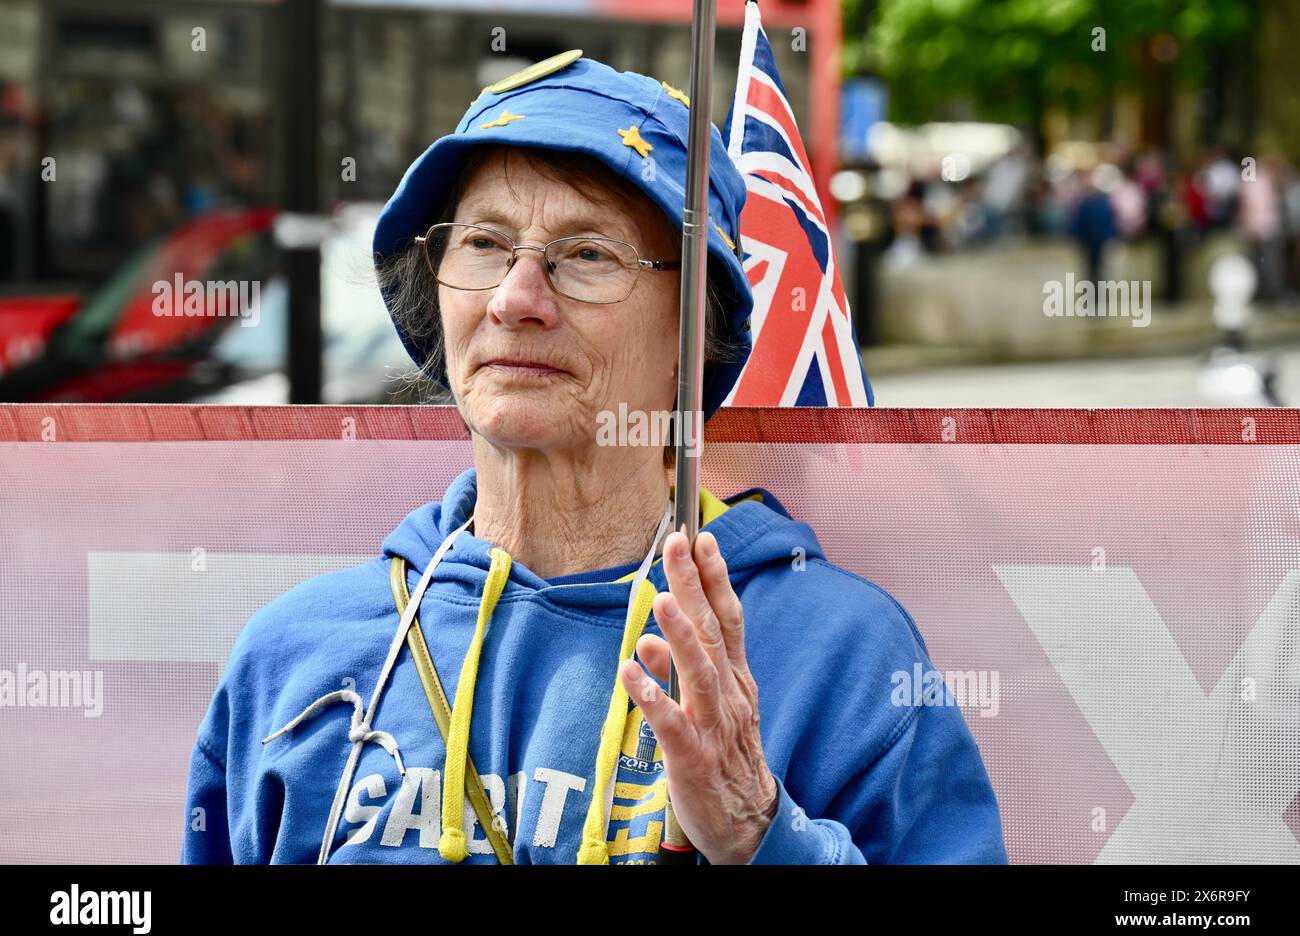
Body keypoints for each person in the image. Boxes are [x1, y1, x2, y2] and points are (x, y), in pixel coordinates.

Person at [181, 52, 1007, 865]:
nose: (516, 299)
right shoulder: (292, 659)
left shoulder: (839, 654)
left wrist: (762, 835)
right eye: (482, 245)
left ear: (695, 331)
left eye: (587, 256)